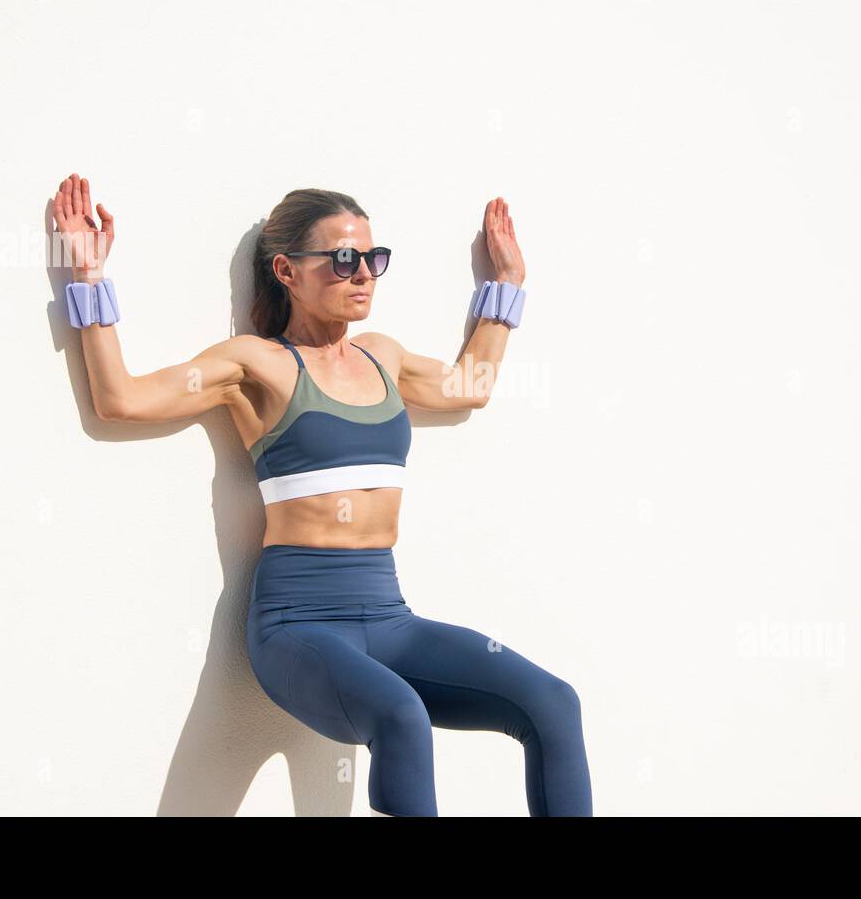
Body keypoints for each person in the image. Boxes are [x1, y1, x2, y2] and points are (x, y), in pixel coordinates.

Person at [53, 173, 592, 816]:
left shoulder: (381, 356)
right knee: (400, 715)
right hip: (295, 626)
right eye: (342, 259)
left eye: (373, 258)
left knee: (553, 703)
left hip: (389, 617)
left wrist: (506, 285)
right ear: (286, 270)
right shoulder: (256, 364)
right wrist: (86, 279)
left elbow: (469, 385)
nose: (363, 273)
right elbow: (122, 399)